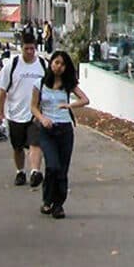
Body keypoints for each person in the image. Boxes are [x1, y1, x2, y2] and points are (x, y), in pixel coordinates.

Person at [31, 50, 89, 219]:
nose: (59, 67)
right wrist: (42, 119)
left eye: (62, 64)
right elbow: (33, 106)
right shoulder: (39, 84)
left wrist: (70, 106)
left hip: (65, 130)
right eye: (56, 62)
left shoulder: (68, 84)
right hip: (47, 130)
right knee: (52, 166)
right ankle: (47, 200)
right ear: (51, 64)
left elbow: (85, 100)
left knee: (62, 170)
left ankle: (58, 205)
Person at [0, 28, 46, 188]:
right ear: (21, 48)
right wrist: (0, 112)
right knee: (18, 147)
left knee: (35, 143)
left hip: (36, 114)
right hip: (15, 114)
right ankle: (20, 171)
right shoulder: (12, 65)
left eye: (32, 48)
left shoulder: (43, 65)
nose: (30, 52)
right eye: (26, 48)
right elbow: (2, 90)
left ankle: (35, 172)